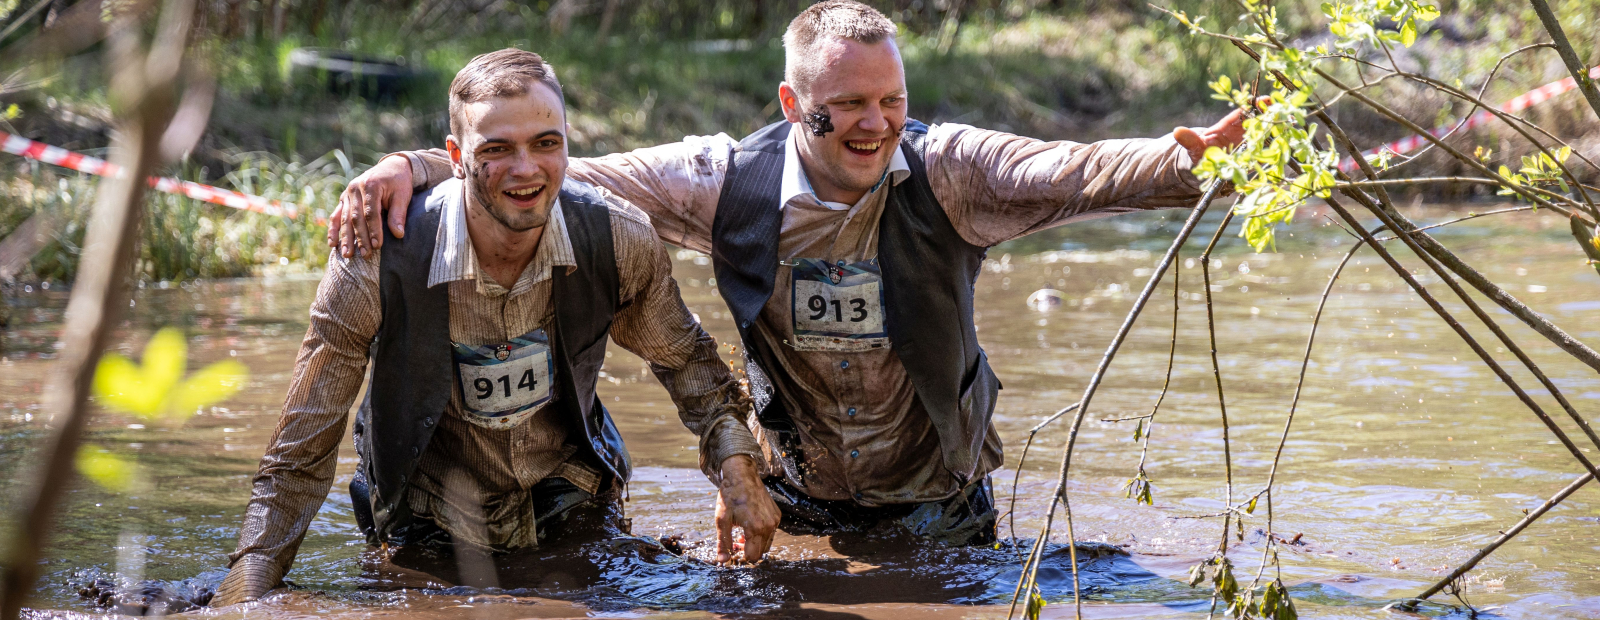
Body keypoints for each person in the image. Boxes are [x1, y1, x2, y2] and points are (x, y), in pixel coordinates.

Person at [329, 1, 1248, 547]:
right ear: (792, 103)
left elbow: (1069, 172)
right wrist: (412, 165)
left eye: (891, 102)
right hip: (803, 499)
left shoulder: (952, 170)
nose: (874, 125)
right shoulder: (723, 182)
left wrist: (1185, 161)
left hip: (945, 506)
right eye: (845, 106)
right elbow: (546, 173)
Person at [211, 49, 780, 607]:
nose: (526, 169)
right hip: (427, 515)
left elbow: (687, 363)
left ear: (565, 145)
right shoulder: (376, 259)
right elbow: (300, 451)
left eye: (545, 144)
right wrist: (246, 591)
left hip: (572, 500)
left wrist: (737, 468)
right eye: (497, 149)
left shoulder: (618, 239)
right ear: (456, 155)